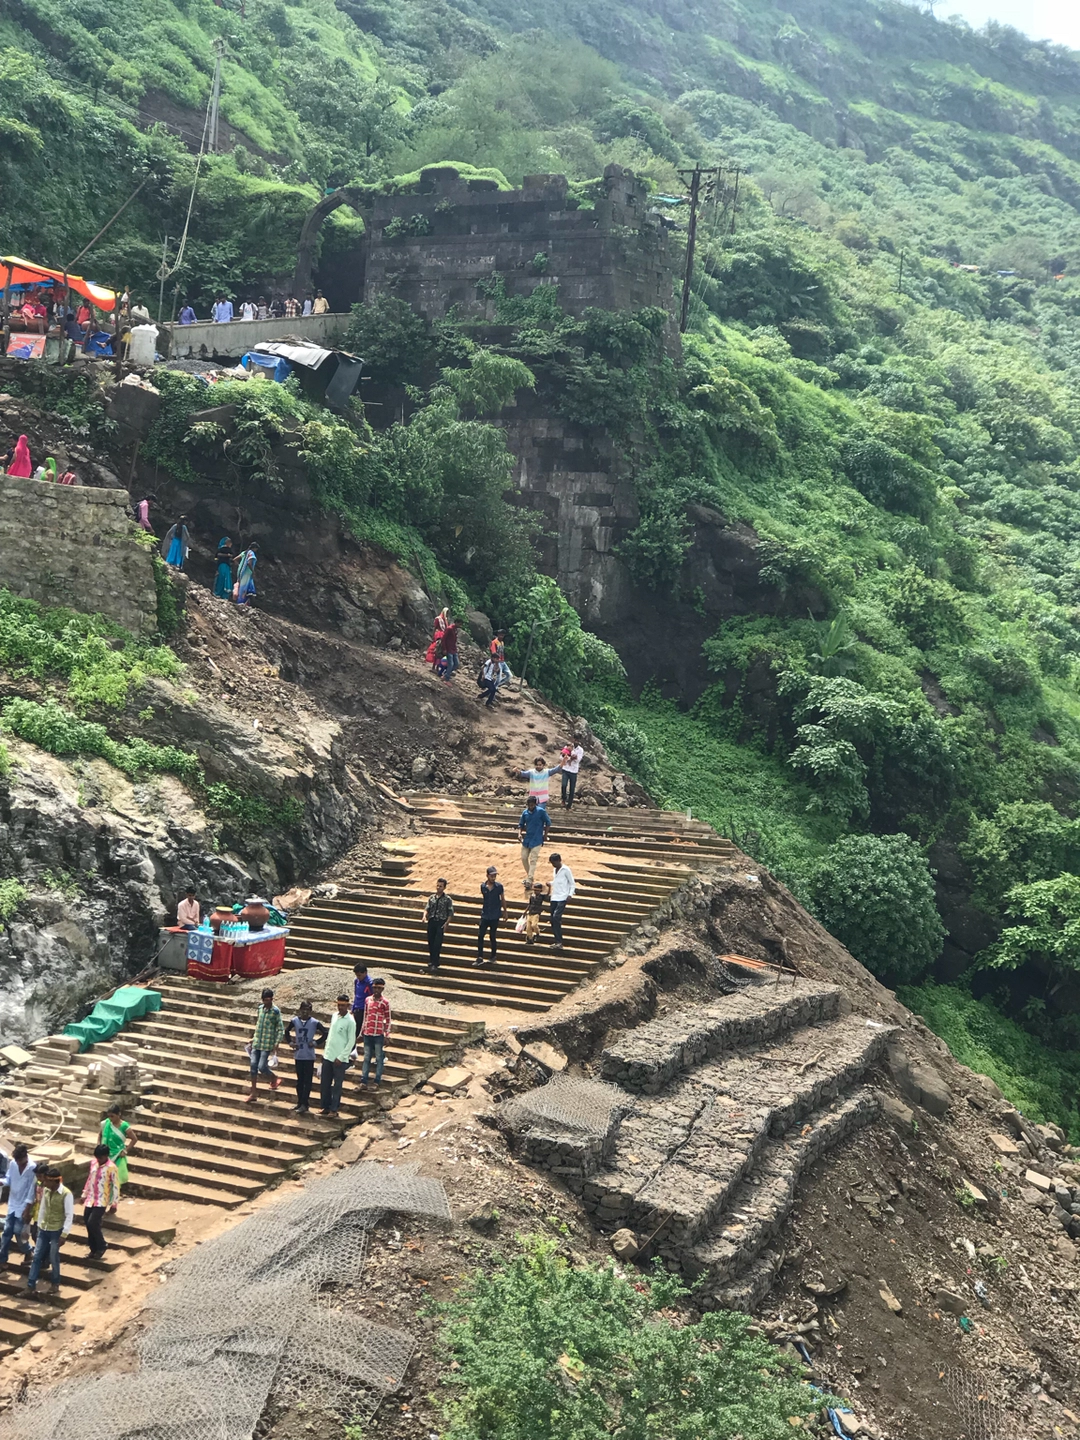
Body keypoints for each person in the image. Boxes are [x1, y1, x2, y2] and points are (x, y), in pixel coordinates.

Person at [26, 1167, 73, 1295]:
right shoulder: (46, 1190)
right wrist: (40, 1224)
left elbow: (69, 1215)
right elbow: (42, 1209)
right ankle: (30, 1285)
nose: (44, 1183)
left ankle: (55, 1283)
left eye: (46, 1181)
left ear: (54, 1182)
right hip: (44, 1229)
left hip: (56, 1230)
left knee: (53, 1257)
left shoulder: (66, 1194)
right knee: (36, 1256)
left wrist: (64, 1234)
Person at [284, 1000, 328, 1115]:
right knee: (300, 1081)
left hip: (309, 1056)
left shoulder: (314, 1022)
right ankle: (299, 1102)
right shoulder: (295, 1021)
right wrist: (291, 1043)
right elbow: (286, 1031)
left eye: (307, 1010)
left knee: (307, 1081)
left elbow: (325, 1033)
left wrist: (315, 1042)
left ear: (310, 1011)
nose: (305, 1012)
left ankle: (305, 1103)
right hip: (299, 1055)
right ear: (300, 1010)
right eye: (303, 1009)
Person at [81, 1143, 120, 1260]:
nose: (99, 1160)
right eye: (97, 1157)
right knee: (87, 1222)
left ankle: (102, 1245)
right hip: (91, 1198)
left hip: (102, 1200)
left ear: (106, 1156)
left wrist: (114, 1203)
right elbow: (90, 1179)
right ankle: (93, 1249)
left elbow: (116, 1186)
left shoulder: (112, 1168)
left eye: (101, 1158)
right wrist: (84, 1193)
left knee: (93, 1222)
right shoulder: (93, 1163)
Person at [320, 993, 356, 1117]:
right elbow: (331, 1035)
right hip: (328, 1055)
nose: (340, 1008)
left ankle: (334, 1109)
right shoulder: (334, 1016)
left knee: (337, 1085)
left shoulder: (350, 1021)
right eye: (339, 1005)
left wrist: (341, 1057)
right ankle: (325, 1106)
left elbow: (351, 1041)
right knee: (325, 1083)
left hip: (340, 1059)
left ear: (348, 1006)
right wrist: (325, 1052)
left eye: (343, 1005)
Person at [0, 1144, 36, 1267]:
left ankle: (28, 1250)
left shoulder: (32, 1168)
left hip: (24, 1205)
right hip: (13, 1204)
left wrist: (27, 1209)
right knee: (6, 1233)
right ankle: (3, 1261)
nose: (18, 1163)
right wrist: (2, 1182)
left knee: (18, 1231)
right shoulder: (13, 1164)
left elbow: (32, 1191)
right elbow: (8, 1179)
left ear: (26, 1157)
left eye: (20, 1160)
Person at [246, 988, 284, 1102]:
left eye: (270, 999)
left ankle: (274, 1077)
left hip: (267, 1044)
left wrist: (277, 1042)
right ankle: (253, 1093)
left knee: (262, 1067)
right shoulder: (260, 1009)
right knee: (253, 1067)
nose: (268, 1002)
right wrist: (253, 1038)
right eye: (266, 1000)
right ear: (262, 1000)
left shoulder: (275, 1011)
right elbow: (259, 1025)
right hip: (257, 1042)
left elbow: (280, 1028)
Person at [359, 978, 391, 1089]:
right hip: (368, 1033)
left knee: (378, 1057)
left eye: (379, 988)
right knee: (366, 1057)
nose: (376, 990)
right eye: (374, 987)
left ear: (382, 988)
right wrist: (362, 1031)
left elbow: (388, 1019)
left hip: (378, 1034)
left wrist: (387, 1034)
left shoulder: (385, 1002)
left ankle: (377, 1081)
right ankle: (363, 1080)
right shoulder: (368, 1000)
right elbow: (365, 1016)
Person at [476, 865, 507, 967]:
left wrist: (505, 911)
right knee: (480, 935)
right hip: (485, 914)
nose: (493, 878)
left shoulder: (499, 887)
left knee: (492, 936)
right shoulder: (483, 886)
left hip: (495, 915)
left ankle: (493, 956)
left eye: (495, 876)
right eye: (492, 876)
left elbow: (502, 899)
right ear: (487, 876)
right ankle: (480, 957)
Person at [100, 1104, 137, 1185]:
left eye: (112, 1116)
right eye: (109, 1116)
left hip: (117, 1155)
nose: (110, 1118)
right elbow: (100, 1135)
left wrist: (126, 1150)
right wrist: (98, 1147)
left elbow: (134, 1139)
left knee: (115, 1180)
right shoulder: (106, 1123)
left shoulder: (124, 1126)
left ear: (119, 1114)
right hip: (105, 1155)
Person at [518, 795, 550, 888]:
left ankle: (529, 880)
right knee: (524, 858)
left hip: (537, 839)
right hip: (527, 839)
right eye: (529, 805)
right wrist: (519, 834)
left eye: (532, 805)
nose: (531, 807)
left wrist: (545, 835)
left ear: (535, 804)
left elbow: (548, 823)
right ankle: (530, 877)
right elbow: (520, 824)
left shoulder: (541, 812)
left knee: (533, 859)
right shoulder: (525, 813)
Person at [423, 877, 454, 972]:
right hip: (432, 921)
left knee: (437, 943)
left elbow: (450, 913)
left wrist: (447, 923)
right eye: (437, 885)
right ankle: (432, 960)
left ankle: (435, 963)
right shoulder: (432, 897)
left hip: (441, 922)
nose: (438, 888)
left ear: (444, 887)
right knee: (431, 942)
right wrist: (424, 916)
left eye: (441, 886)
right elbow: (427, 908)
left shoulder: (447, 899)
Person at [547, 853, 575, 951]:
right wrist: (550, 883)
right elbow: (556, 881)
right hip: (554, 897)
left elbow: (572, 883)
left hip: (563, 897)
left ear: (559, 860)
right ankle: (557, 940)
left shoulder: (566, 870)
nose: (553, 865)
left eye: (554, 862)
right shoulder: (555, 870)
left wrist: (570, 894)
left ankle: (559, 941)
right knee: (552, 919)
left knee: (556, 917)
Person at [560, 741, 585, 808]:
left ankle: (569, 804)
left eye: (578, 740)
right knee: (564, 785)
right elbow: (561, 757)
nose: (576, 741)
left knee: (572, 788)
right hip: (566, 768)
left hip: (574, 771)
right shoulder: (567, 746)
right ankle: (563, 798)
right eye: (575, 739)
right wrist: (569, 758)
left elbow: (578, 760)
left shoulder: (580, 750)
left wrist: (571, 757)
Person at [438, 617, 459, 682]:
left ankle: (446, 673)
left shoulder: (455, 630)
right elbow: (443, 639)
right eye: (459, 624)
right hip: (448, 649)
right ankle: (446, 677)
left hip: (453, 649)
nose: (460, 626)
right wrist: (444, 648)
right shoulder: (449, 629)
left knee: (456, 664)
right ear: (456, 622)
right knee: (451, 664)